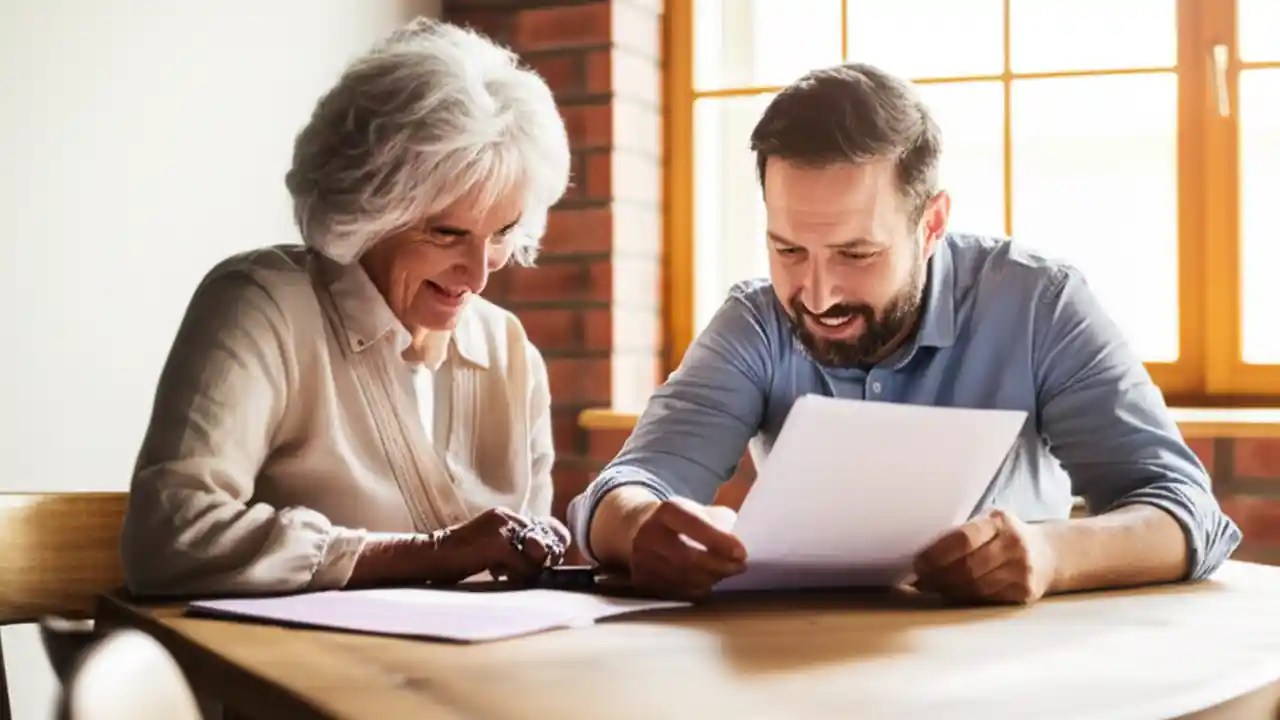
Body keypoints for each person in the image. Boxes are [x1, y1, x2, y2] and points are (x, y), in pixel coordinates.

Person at [568, 63, 1241, 604]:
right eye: (788, 251)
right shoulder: (754, 321)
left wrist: (1048, 554)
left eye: (857, 255)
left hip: (1013, 677)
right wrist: (638, 527)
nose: (818, 294)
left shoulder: (1040, 305)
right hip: (798, 679)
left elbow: (1187, 512)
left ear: (932, 224)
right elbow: (623, 487)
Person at [121, 18, 572, 596]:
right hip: (286, 679)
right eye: (447, 233)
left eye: (503, 231)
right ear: (370, 207)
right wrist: (431, 554)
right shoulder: (262, 308)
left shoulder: (510, 351)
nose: (480, 274)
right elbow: (169, 536)